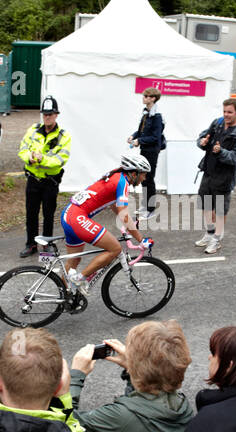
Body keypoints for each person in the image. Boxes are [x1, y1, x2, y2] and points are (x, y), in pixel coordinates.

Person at [61, 154, 151, 292]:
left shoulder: (116, 176)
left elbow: (114, 205)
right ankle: (78, 279)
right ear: (134, 173)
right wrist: (140, 239)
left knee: (74, 261)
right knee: (115, 249)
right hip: (77, 218)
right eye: (143, 175)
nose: (144, 178)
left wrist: (129, 223)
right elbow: (123, 214)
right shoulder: (123, 182)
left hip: (69, 214)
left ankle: (66, 294)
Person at [17, 95, 71, 258]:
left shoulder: (64, 136)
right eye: (45, 114)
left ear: (56, 115)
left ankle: (47, 244)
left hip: (50, 182)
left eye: (50, 114)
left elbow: (61, 159)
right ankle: (31, 244)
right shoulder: (32, 130)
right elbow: (22, 150)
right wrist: (30, 158)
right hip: (33, 179)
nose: (47, 117)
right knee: (31, 214)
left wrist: (43, 159)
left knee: (48, 214)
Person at [195, 98, 236, 254]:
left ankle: (217, 239)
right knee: (205, 204)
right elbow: (202, 137)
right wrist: (202, 142)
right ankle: (209, 233)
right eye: (224, 111)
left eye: (229, 112)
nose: (226, 115)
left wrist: (221, 152)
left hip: (225, 176)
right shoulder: (217, 122)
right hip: (209, 170)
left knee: (219, 210)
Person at [128, 87, 166, 212]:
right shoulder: (146, 114)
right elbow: (141, 131)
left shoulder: (157, 117)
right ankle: (146, 205)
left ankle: (150, 208)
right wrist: (133, 136)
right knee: (143, 177)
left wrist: (139, 141)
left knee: (149, 178)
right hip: (144, 150)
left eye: (146, 96)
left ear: (153, 98)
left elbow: (155, 137)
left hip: (152, 151)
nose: (143, 98)